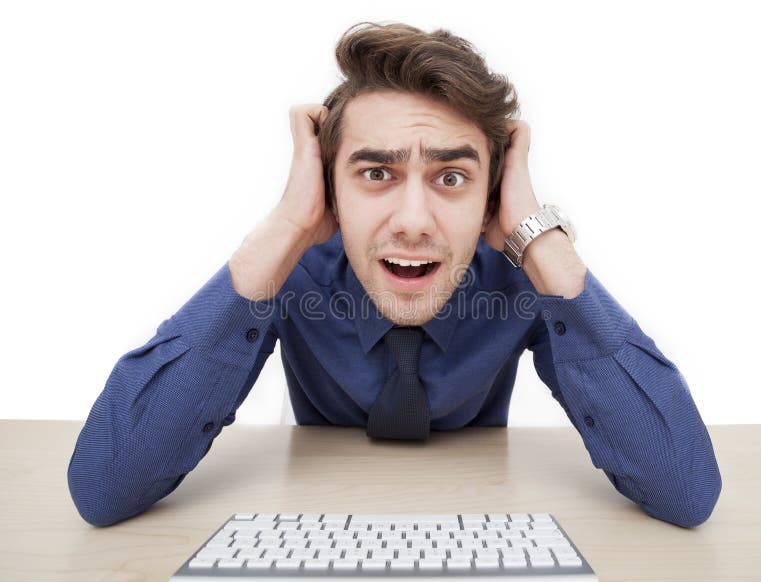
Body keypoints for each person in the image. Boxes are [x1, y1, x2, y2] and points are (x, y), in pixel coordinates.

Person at [68, 21, 721, 529]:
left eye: (452, 177)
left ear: (490, 195)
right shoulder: (289, 273)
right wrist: (286, 226)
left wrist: (538, 237)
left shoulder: (522, 283)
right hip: (318, 526)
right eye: (376, 173)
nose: (413, 221)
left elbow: (686, 492)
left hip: (480, 525)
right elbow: (103, 489)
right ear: (331, 186)